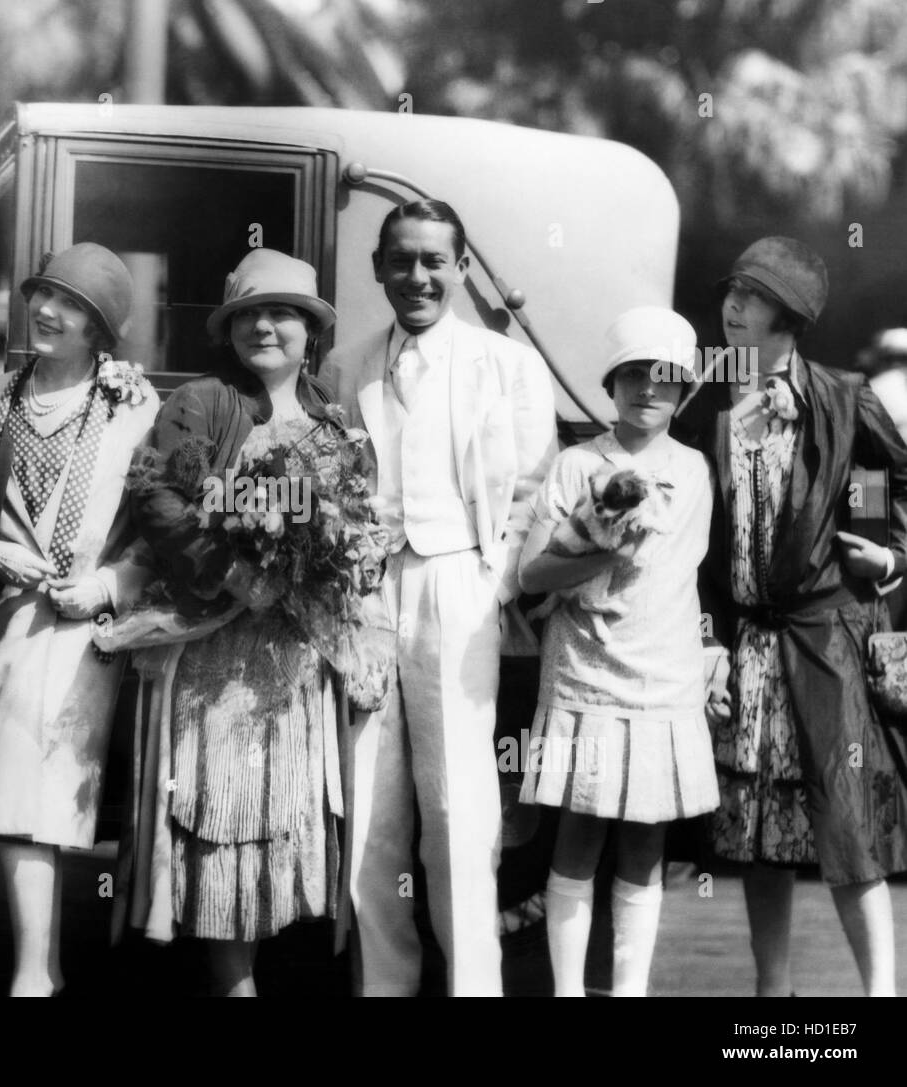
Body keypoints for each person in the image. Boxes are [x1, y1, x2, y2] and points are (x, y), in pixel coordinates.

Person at [319, 199, 557, 996]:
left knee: (458, 805)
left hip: (459, 583)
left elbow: (532, 488)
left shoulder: (506, 364)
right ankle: (384, 984)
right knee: (369, 807)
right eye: (401, 259)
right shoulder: (346, 366)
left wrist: (492, 585)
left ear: (459, 269)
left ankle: (474, 986)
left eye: (434, 261)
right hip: (363, 594)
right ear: (378, 267)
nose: (417, 276)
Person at [672, 236, 907, 997]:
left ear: (790, 315)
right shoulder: (707, 396)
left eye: (752, 295)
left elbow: (887, 479)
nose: (732, 306)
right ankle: (773, 995)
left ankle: (881, 993)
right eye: (732, 291)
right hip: (745, 642)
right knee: (756, 831)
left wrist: (886, 552)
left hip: (826, 641)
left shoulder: (844, 395)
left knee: (848, 822)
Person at [131, 247, 344, 996]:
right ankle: (233, 985)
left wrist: (327, 563)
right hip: (217, 645)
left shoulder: (332, 417)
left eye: (282, 312)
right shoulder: (201, 402)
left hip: (294, 655)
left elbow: (357, 523)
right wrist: (229, 570)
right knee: (219, 810)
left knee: (281, 808)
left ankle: (259, 973)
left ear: (310, 329)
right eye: (249, 313)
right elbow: (156, 497)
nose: (264, 326)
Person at [0, 243, 158, 997]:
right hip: (4, 627)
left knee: (55, 793)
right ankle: (36, 970)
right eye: (42, 294)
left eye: (70, 304)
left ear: (101, 329)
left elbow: (156, 537)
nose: (47, 310)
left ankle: (40, 970)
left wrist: (106, 584)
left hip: (88, 637)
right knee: (11, 797)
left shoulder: (133, 406)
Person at [518, 306, 719, 997]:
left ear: (683, 390)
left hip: (661, 674)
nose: (648, 390)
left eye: (665, 379)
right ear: (612, 385)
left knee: (644, 840)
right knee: (579, 830)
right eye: (633, 375)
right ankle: (569, 991)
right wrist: (597, 546)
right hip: (585, 674)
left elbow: (672, 568)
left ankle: (628, 992)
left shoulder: (694, 471)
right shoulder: (576, 463)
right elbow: (530, 574)